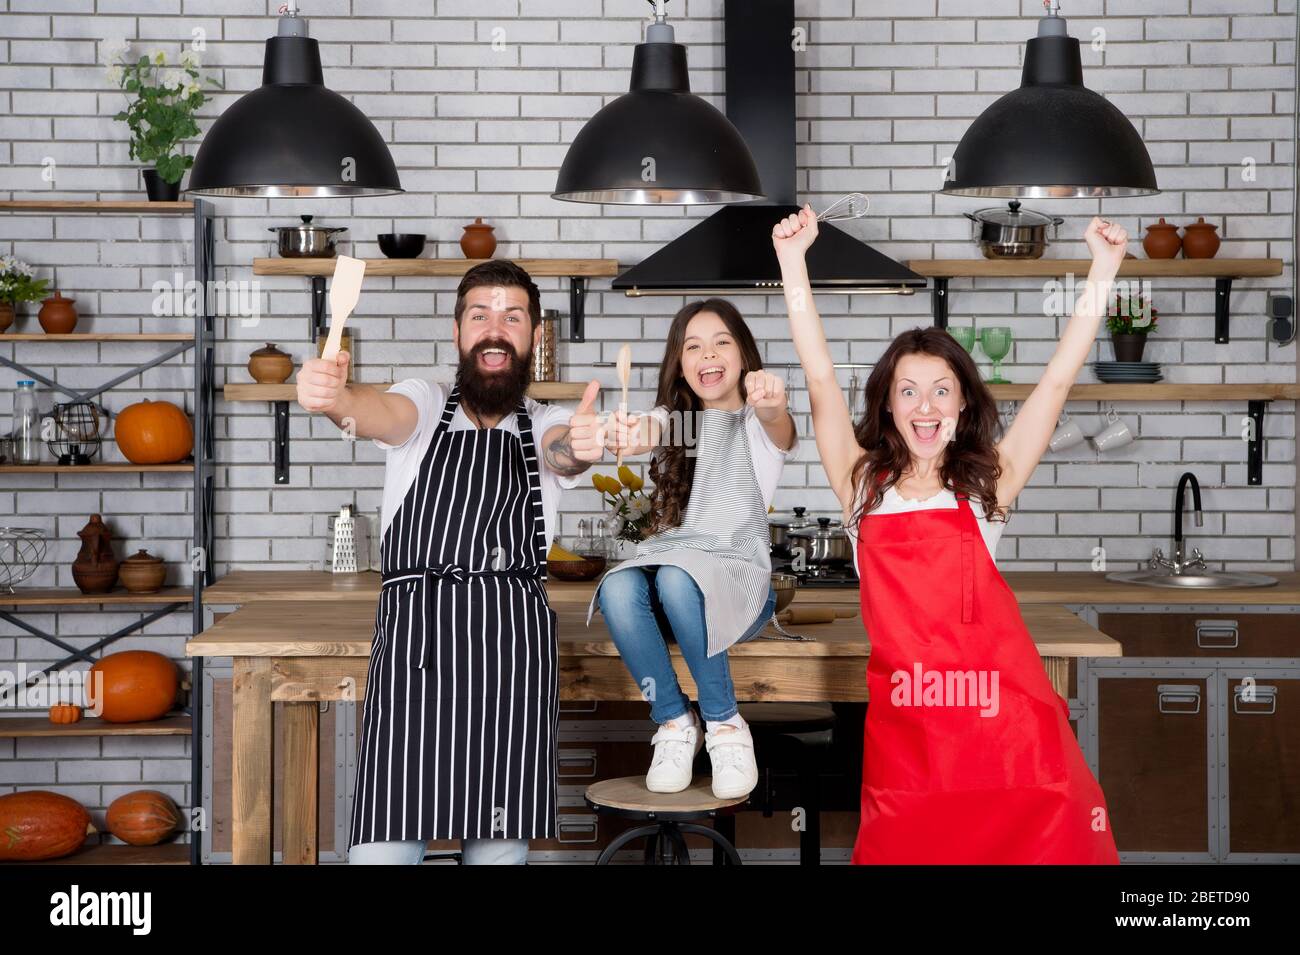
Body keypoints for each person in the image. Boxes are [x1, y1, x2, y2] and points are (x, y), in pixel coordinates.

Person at [773, 204, 1124, 864]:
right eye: (908, 392)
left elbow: (1055, 381)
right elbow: (819, 377)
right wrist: (794, 263)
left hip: (1007, 736)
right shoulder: (861, 487)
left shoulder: (987, 486)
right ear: (887, 404)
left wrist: (1103, 269)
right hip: (910, 744)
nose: (925, 406)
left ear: (963, 404)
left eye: (941, 390)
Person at [296, 260, 604, 865]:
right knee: (382, 850)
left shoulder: (544, 424)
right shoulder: (423, 402)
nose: (495, 329)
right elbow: (371, 410)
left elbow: (564, 453)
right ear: (458, 330)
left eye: (512, 317)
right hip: (417, 651)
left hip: (510, 656)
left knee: (498, 848)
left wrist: (581, 447)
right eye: (480, 315)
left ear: (534, 335)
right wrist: (334, 398)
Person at [591, 299, 797, 799]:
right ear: (680, 364)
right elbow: (647, 428)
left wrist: (772, 402)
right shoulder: (675, 420)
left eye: (722, 342)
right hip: (679, 579)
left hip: (739, 587)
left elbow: (780, 424)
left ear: (744, 356)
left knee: (677, 579)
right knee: (618, 585)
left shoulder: (755, 424)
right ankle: (674, 721)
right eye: (694, 346)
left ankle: (725, 724)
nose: (709, 354)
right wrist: (626, 433)